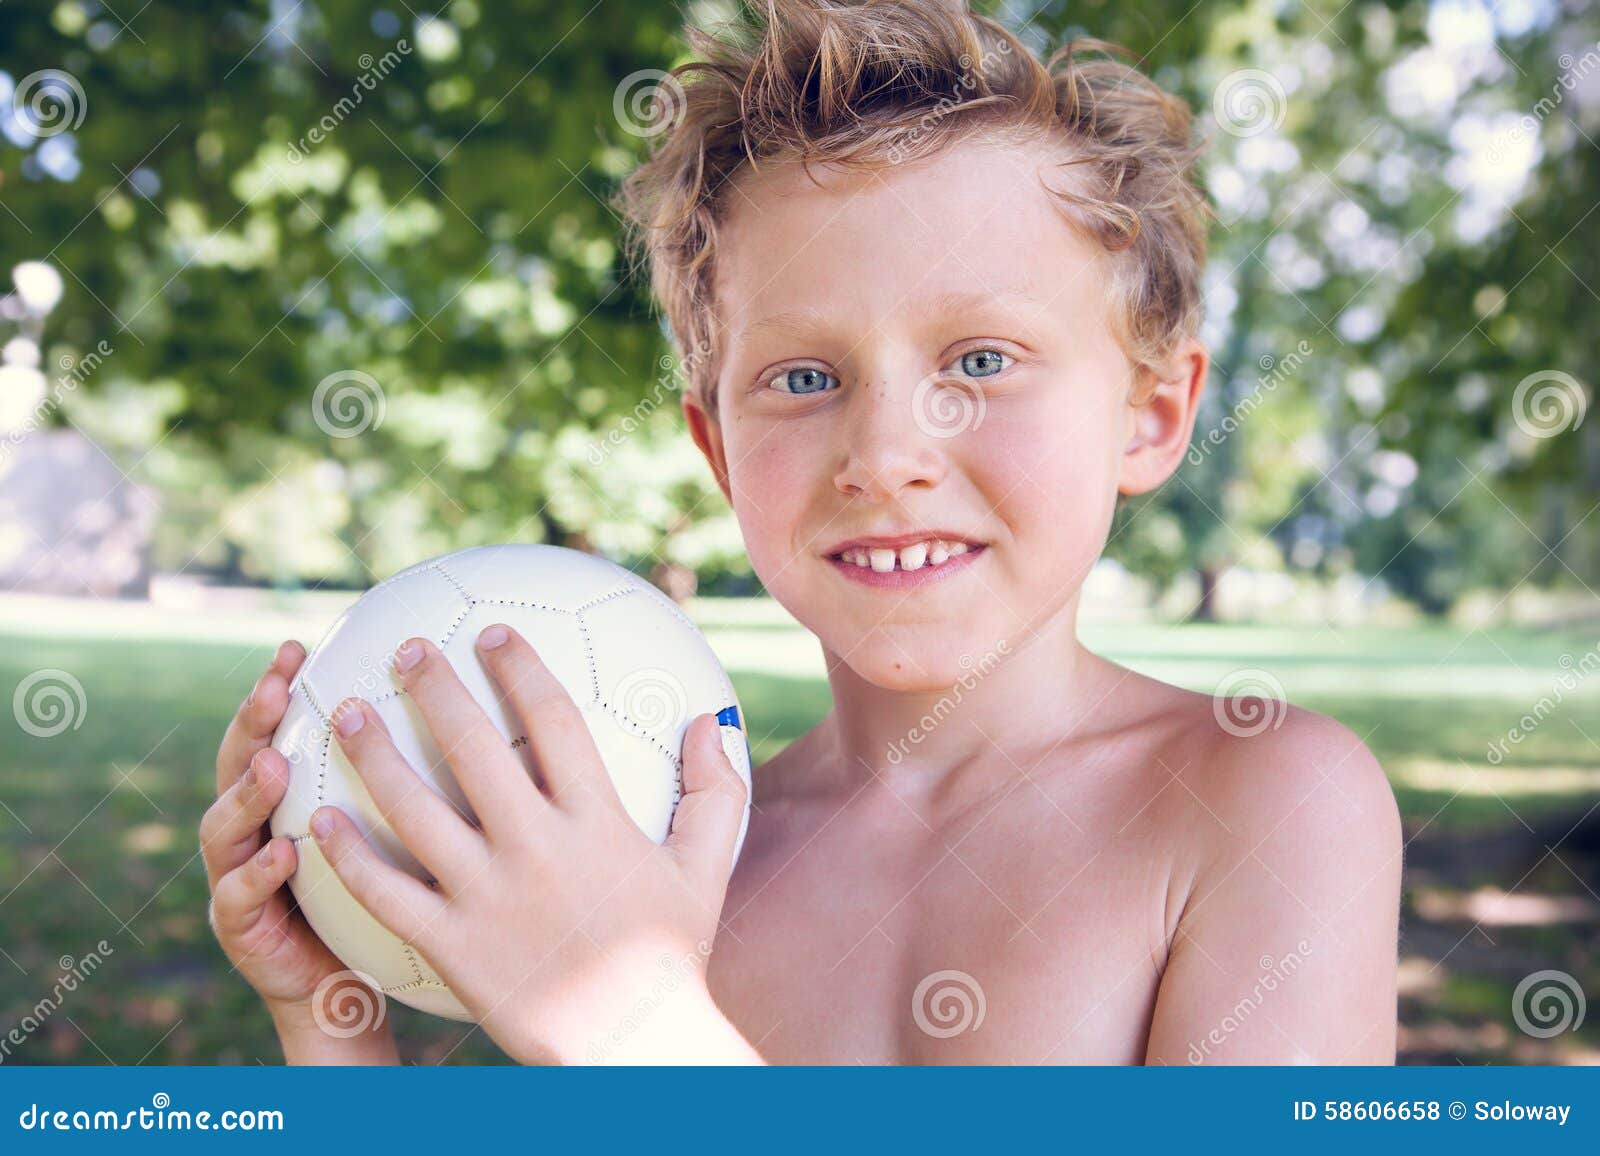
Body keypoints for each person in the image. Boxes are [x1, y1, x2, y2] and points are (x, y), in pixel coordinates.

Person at [201, 0, 1401, 1064]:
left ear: (1150, 415)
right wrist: (331, 1014)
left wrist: (628, 1019)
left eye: (982, 360)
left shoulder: (1263, 803)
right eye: (804, 377)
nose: (883, 455)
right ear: (719, 450)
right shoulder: (673, 856)